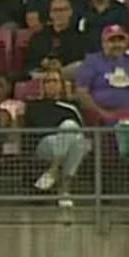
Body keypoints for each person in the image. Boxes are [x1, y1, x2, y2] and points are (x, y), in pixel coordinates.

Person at [21, 68, 87, 207]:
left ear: (61, 85)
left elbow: (80, 130)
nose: (51, 84)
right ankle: (60, 183)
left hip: (70, 144)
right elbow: (34, 129)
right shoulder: (34, 106)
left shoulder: (71, 106)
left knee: (76, 138)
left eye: (55, 81)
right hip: (44, 144)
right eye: (47, 81)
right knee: (69, 128)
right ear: (43, 86)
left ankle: (56, 177)